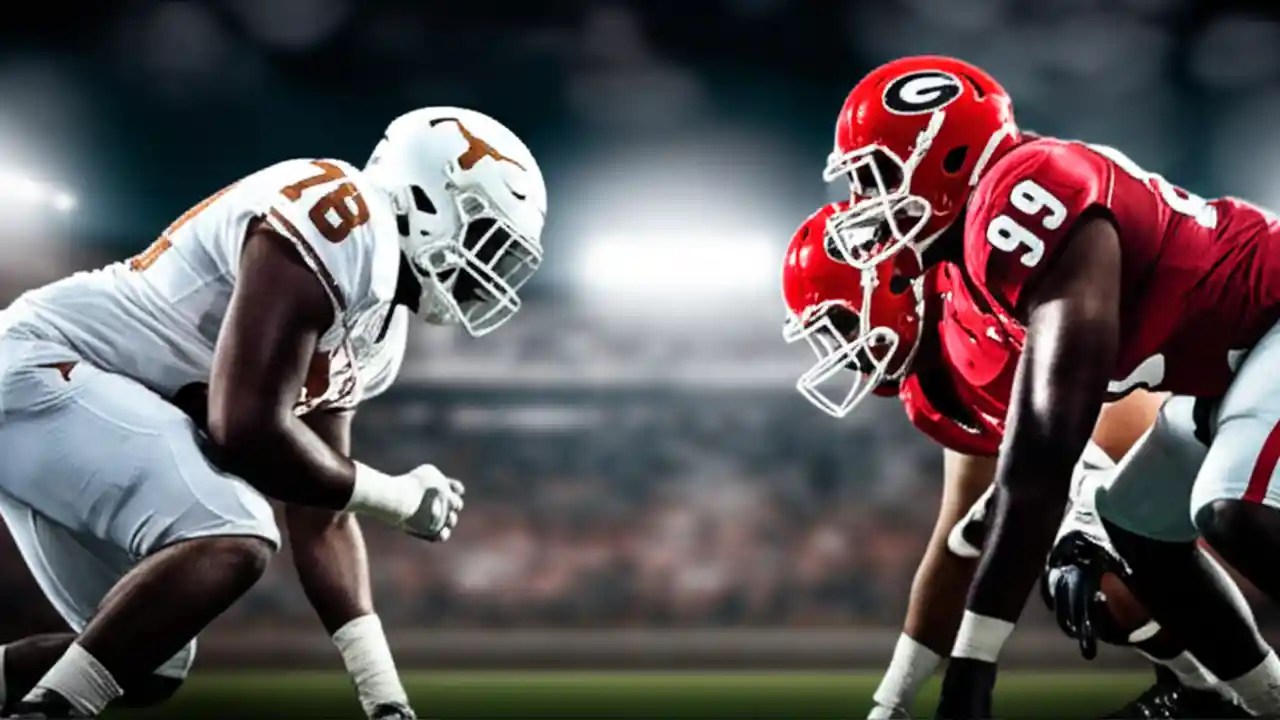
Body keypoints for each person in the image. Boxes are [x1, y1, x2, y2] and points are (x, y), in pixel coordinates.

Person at [0, 106, 546, 718]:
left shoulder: (378, 336)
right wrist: (399, 497)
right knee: (233, 531)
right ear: (427, 199)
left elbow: (322, 511)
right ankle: (50, 711)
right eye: (485, 238)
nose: (489, 271)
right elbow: (246, 430)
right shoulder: (346, 216)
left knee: (147, 663)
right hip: (40, 369)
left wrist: (383, 696)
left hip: (56, 407)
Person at [818, 54, 1280, 717]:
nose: (870, 206)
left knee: (1232, 509)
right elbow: (1012, 489)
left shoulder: (1022, 196)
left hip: (1272, 319)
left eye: (881, 177)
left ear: (948, 159)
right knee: (1135, 531)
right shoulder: (972, 283)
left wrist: (971, 674)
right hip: (1228, 377)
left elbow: (1040, 460)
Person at [783, 202, 1252, 718]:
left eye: (843, 325)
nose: (846, 350)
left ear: (893, 281)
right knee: (1046, 548)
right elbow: (955, 543)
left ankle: (1220, 692)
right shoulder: (938, 379)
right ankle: (1201, 688)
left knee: (1088, 558)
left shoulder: (988, 301)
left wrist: (1074, 513)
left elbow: (1130, 407)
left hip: (1205, 417)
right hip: (1126, 458)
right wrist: (892, 704)